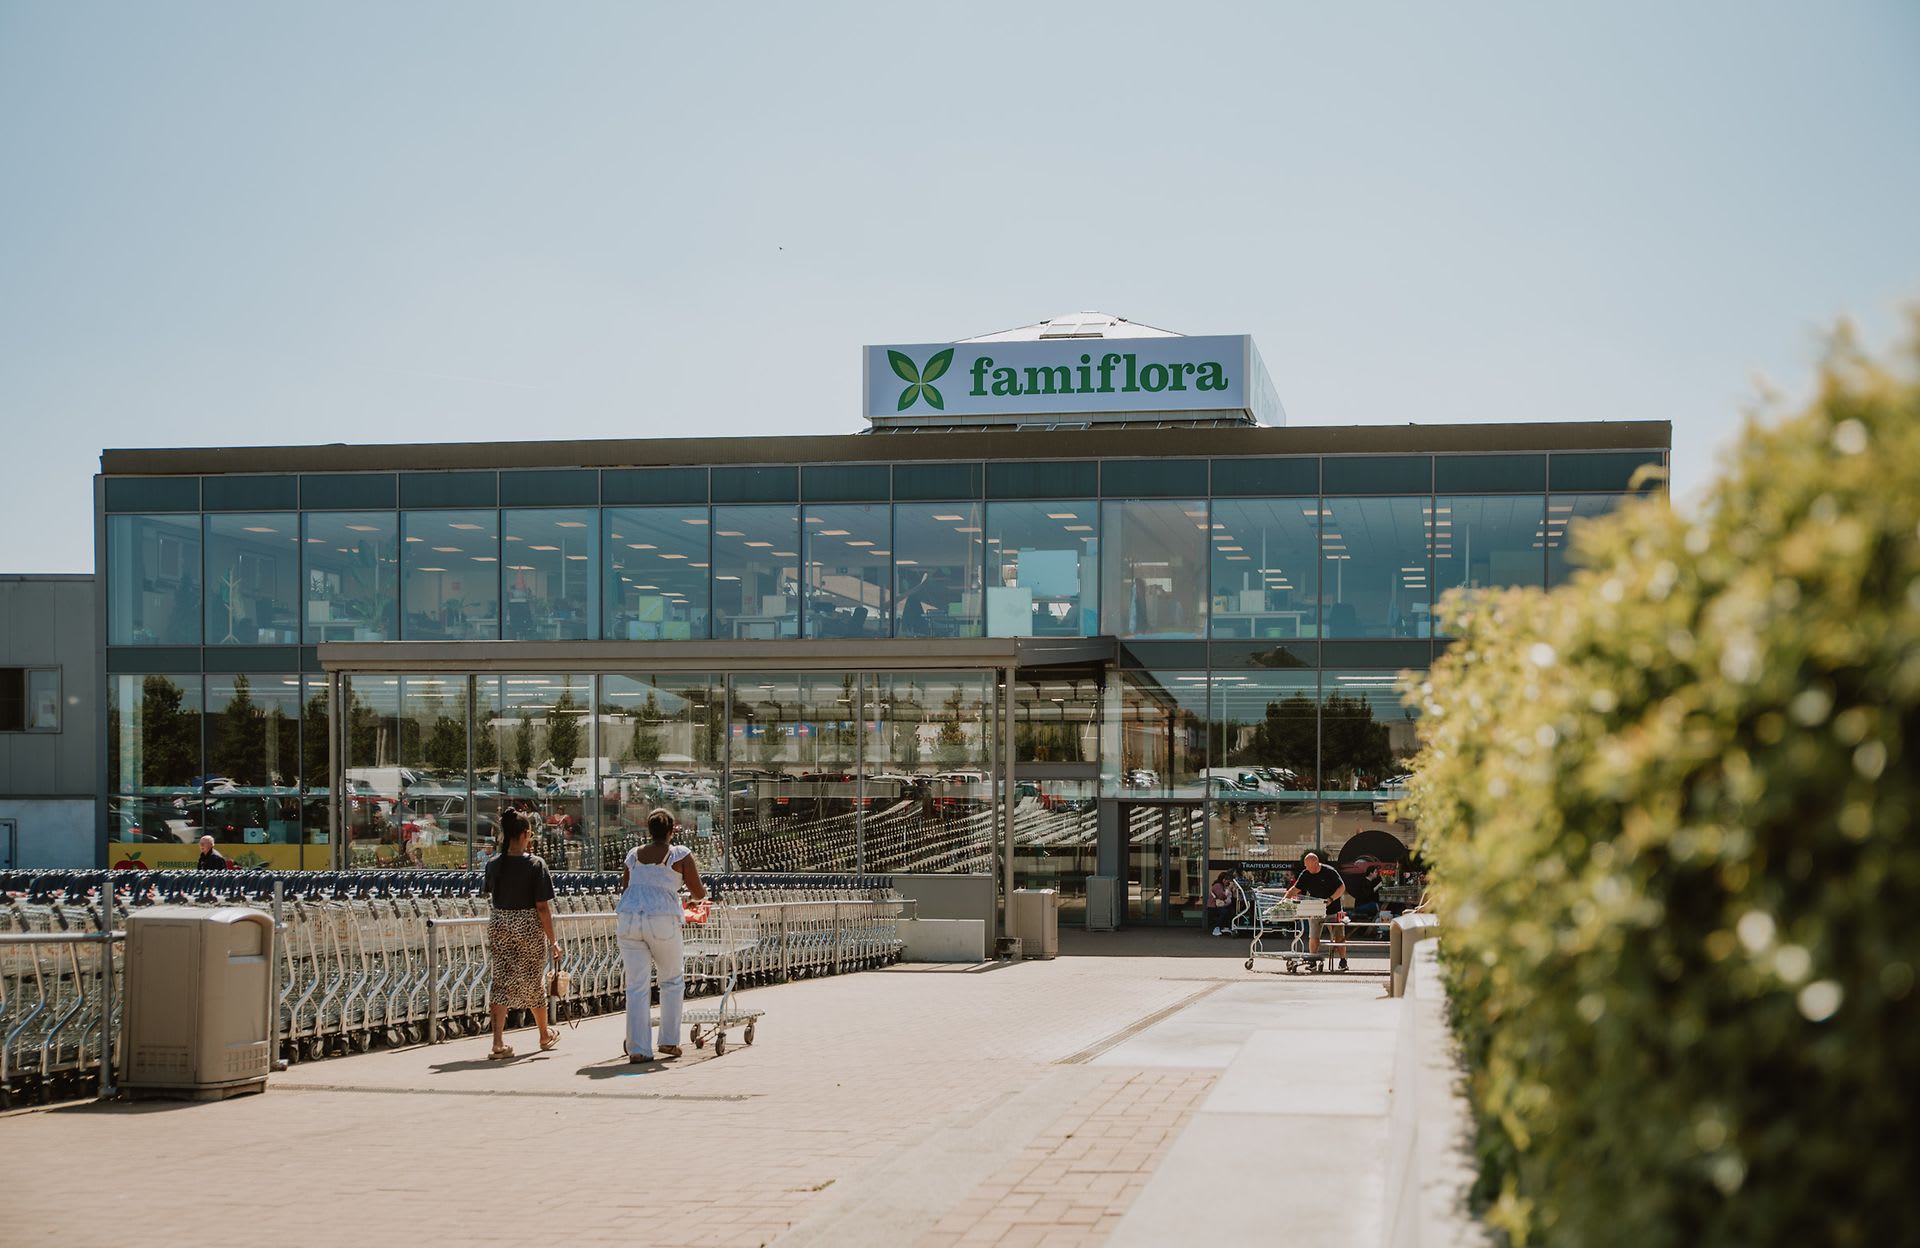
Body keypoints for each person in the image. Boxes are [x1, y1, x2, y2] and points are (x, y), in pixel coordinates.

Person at [617, 808, 706, 1063]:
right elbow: (698, 892)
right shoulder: (679, 854)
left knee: (636, 985)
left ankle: (638, 1049)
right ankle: (668, 1041)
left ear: (649, 830)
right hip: (662, 919)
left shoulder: (633, 855)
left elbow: (627, 888)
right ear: (671, 831)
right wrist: (689, 896)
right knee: (672, 980)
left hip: (629, 919)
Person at [483, 809, 561, 1060]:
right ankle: (543, 1034)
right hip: (528, 925)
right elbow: (542, 907)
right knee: (532, 978)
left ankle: (497, 1041)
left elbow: (491, 892)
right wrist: (553, 941)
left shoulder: (494, 863)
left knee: (501, 979)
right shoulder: (535, 864)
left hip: (500, 923)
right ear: (526, 834)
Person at [1287, 851, 1349, 971]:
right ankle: (1313, 961)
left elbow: (1342, 887)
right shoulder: (1305, 873)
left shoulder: (1330, 871)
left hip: (1334, 909)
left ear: (1316, 863)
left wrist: (1331, 899)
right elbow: (1295, 889)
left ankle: (1343, 961)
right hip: (1316, 910)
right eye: (1306, 866)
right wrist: (1284, 901)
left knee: (1339, 936)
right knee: (1314, 936)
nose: (1307, 868)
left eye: (1309, 866)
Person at [1206, 870, 1238, 936]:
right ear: (1223, 880)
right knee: (1224, 911)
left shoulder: (1222, 886)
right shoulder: (1217, 885)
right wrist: (1229, 888)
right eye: (1228, 881)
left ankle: (1225, 926)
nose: (1228, 882)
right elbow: (1221, 896)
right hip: (1213, 907)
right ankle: (1216, 928)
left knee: (1230, 910)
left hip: (1219, 906)